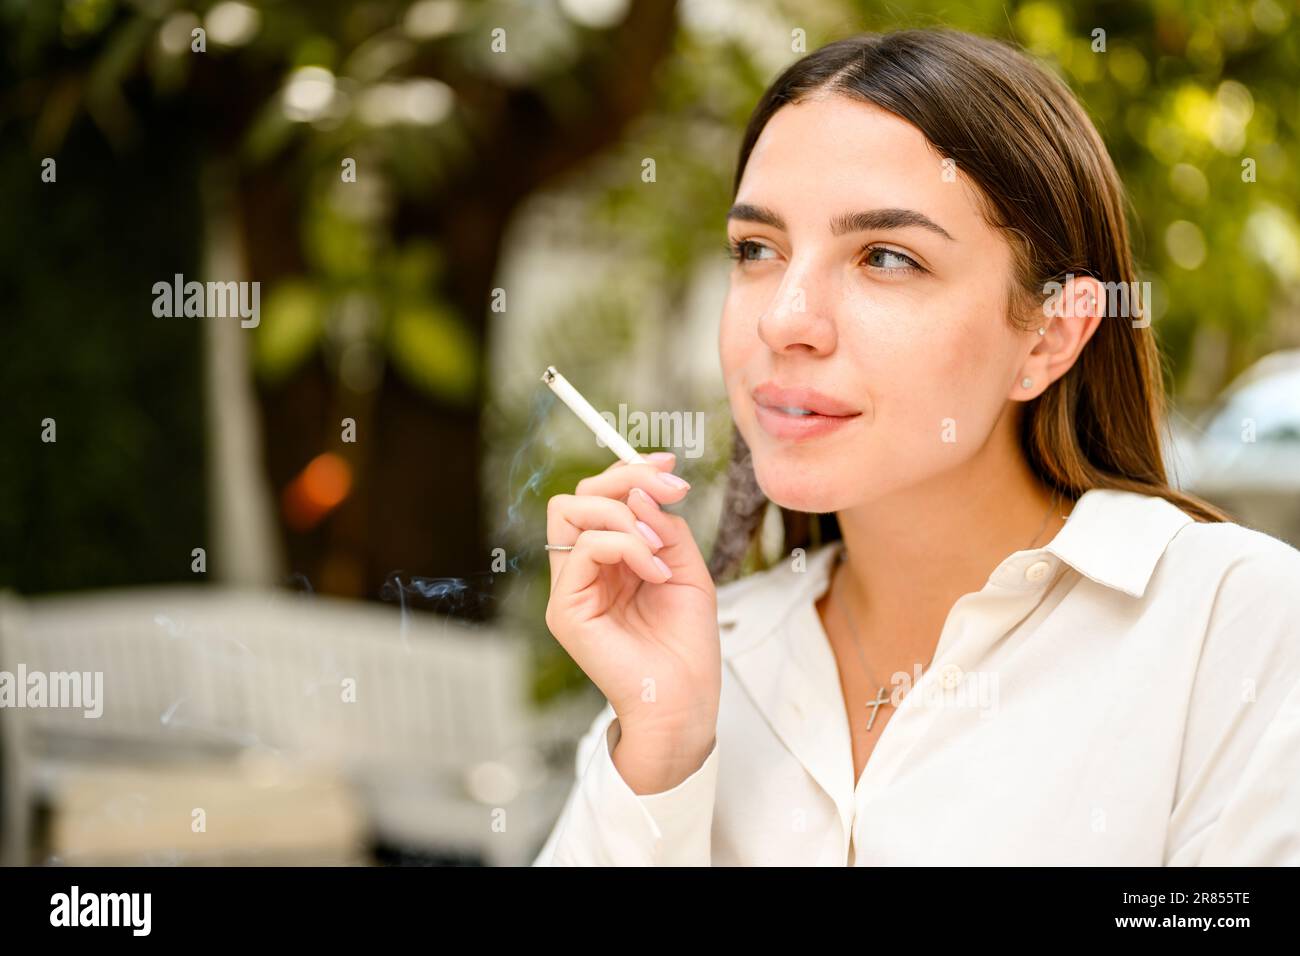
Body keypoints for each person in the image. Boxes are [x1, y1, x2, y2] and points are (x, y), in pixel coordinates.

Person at [531, 29, 1300, 866]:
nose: (784, 319)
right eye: (757, 249)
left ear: (1049, 335)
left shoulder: (1238, 629)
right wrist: (665, 753)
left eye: (886, 257)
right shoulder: (707, 658)